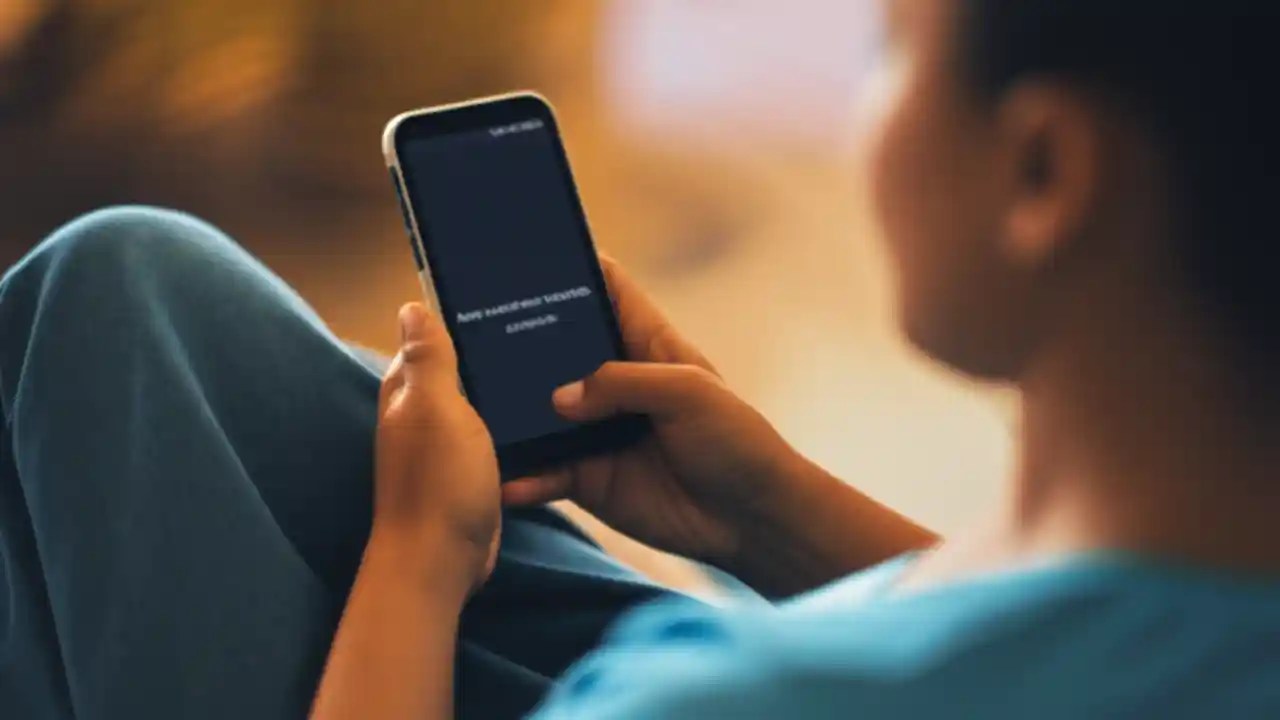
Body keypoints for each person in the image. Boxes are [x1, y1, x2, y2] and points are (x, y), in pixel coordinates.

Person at [3, 1, 1279, 720]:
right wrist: (760, 512)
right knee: (123, 292)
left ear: (1043, 174)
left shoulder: (706, 704)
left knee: (75, 423)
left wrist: (417, 562)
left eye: (890, 50)